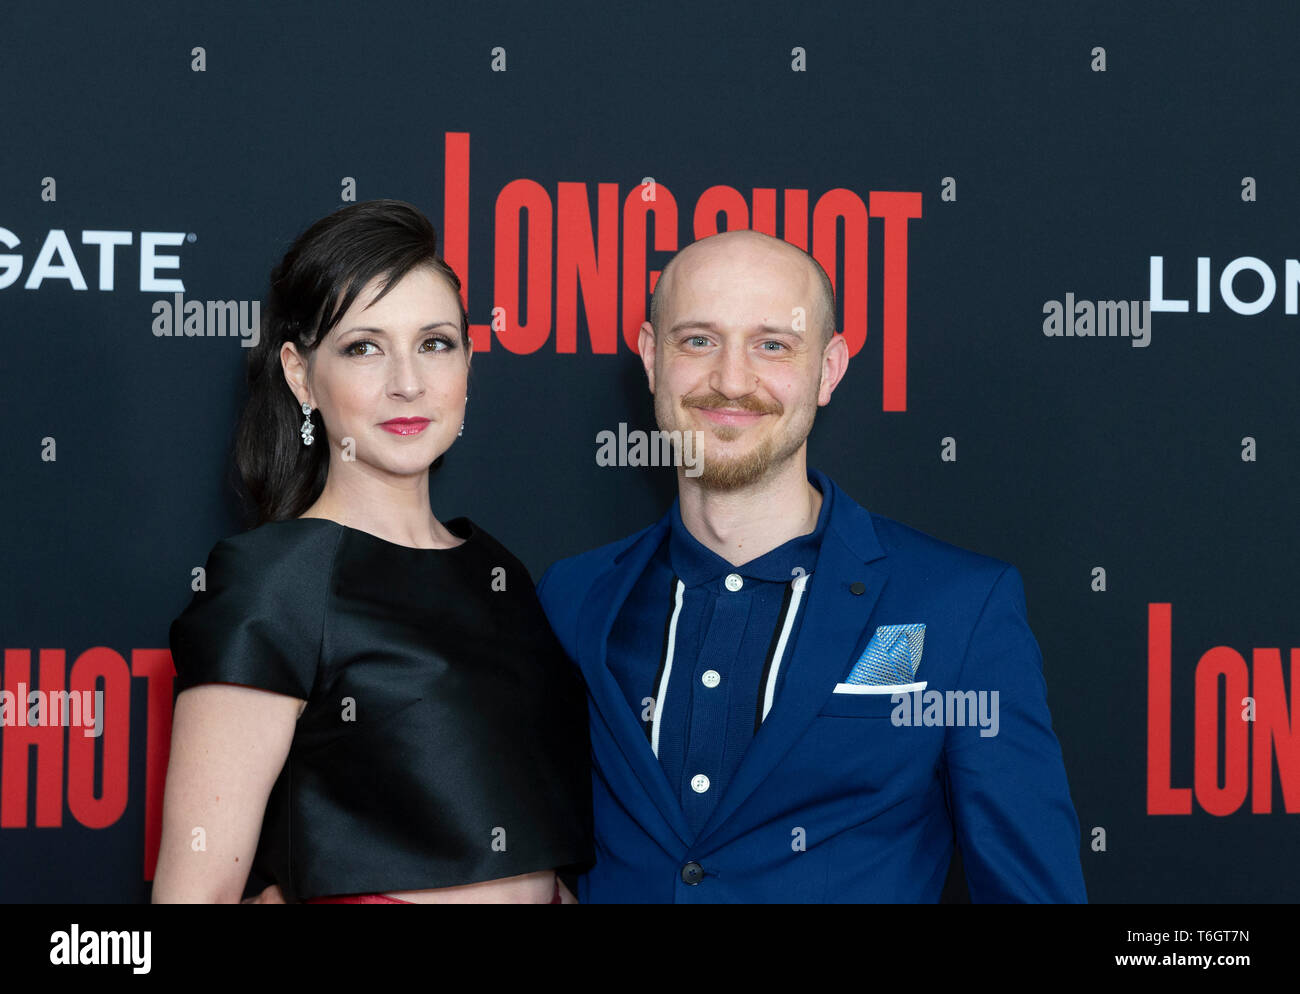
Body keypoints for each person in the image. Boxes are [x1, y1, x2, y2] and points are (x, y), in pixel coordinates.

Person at [536, 229, 1088, 902]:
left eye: (772, 344)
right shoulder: (574, 598)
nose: (732, 381)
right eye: (698, 340)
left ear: (828, 369)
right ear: (652, 358)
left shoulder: (957, 608)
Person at [153, 200, 592, 904]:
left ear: (468, 364)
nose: (407, 383)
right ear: (300, 375)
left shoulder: (497, 572)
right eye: (364, 347)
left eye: (435, 343)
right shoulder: (277, 582)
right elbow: (192, 894)